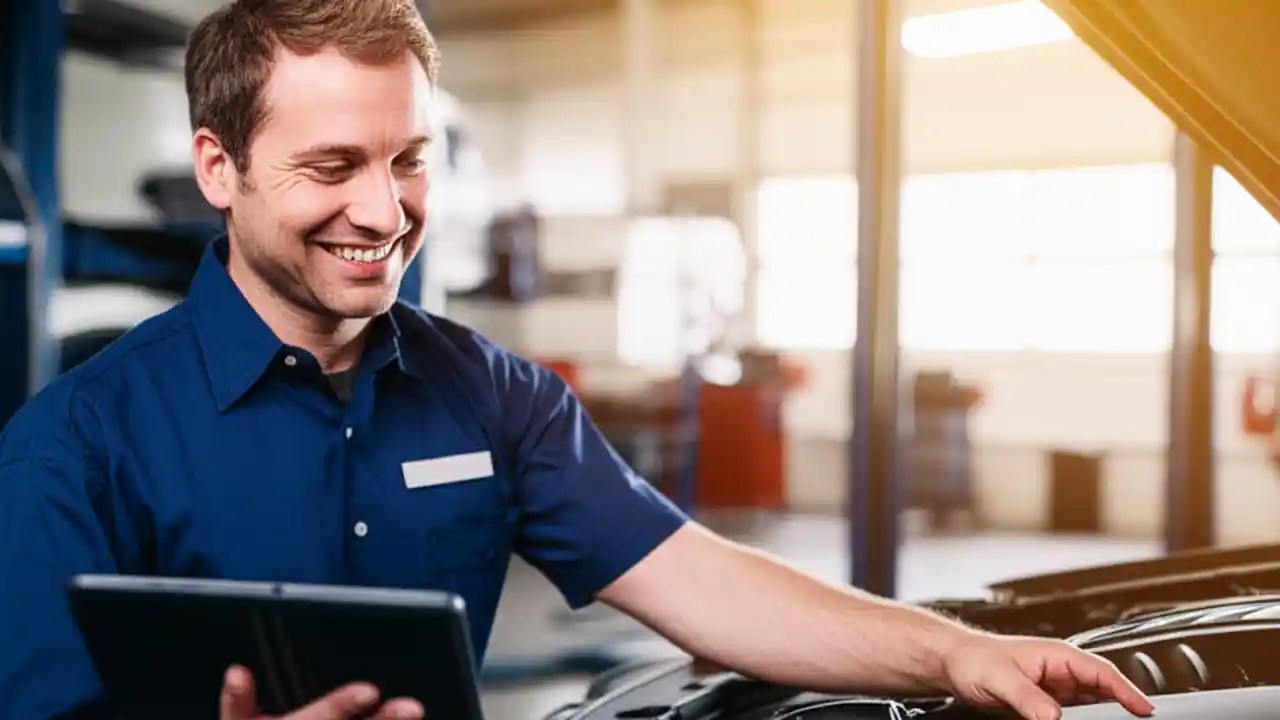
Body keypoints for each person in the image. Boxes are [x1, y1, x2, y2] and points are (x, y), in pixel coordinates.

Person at [0, 2, 1156, 719]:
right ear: (217, 169)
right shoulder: (79, 440)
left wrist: (952, 653)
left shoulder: (489, 395)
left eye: (407, 159)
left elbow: (698, 582)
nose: (383, 210)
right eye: (331, 165)